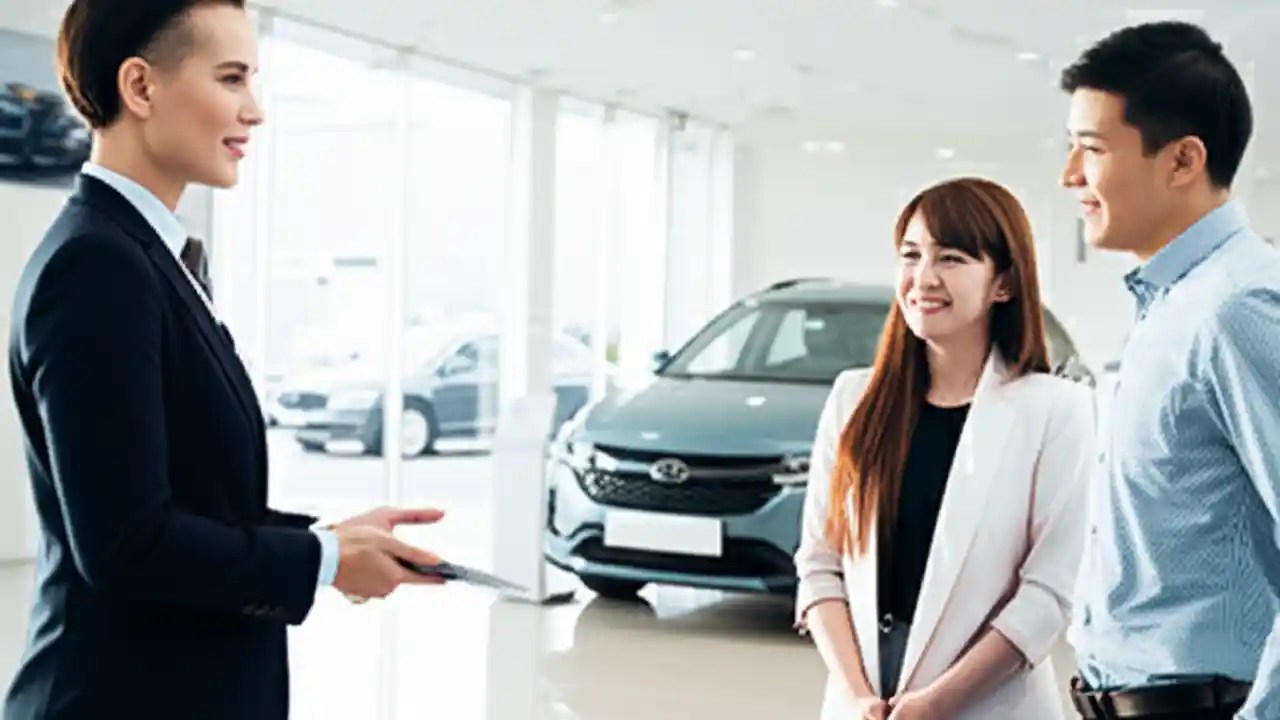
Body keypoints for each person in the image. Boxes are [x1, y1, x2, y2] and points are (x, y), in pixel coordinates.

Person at [3, 1, 446, 718]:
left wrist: (329, 543)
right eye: (233, 78)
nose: (256, 110)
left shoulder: (144, 257)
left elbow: (186, 500)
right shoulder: (97, 265)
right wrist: (326, 564)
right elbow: (127, 543)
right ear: (141, 88)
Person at [794, 177, 1095, 720]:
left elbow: (1048, 595)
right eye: (911, 255)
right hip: (862, 700)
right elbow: (819, 563)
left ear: (1003, 283)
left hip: (987, 702)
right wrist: (857, 695)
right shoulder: (853, 399)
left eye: (952, 258)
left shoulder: (1056, 410)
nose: (923, 278)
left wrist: (935, 705)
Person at [1061, 21, 1280, 720]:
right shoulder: (1171, 305)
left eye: (1091, 149)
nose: (1070, 175)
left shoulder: (1239, 307)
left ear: (1183, 160)